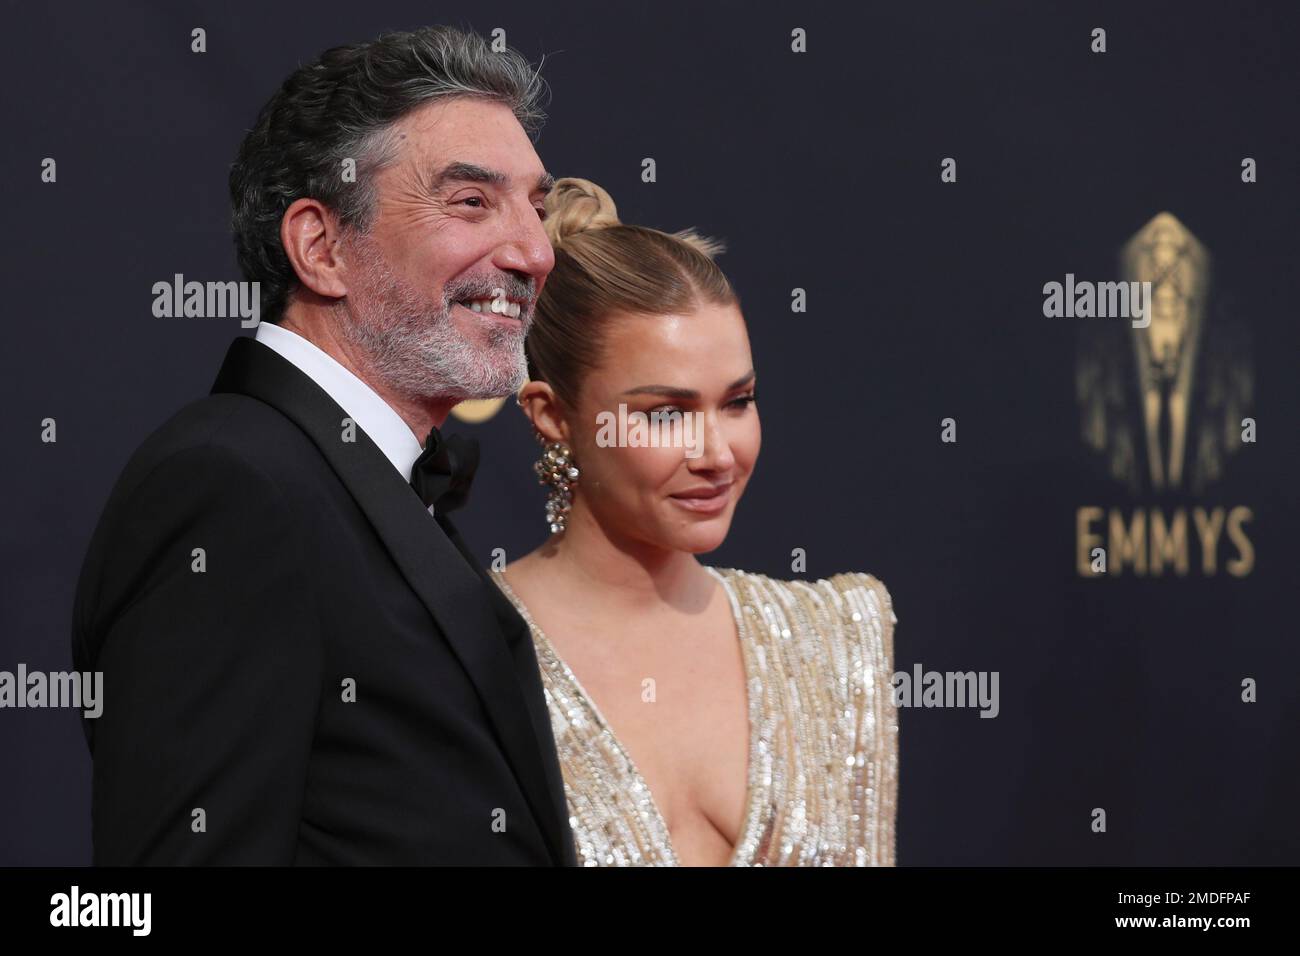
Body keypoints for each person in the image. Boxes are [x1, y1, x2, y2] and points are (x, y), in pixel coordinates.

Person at [71, 26, 577, 865]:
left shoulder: (354, 481)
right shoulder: (232, 488)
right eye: (471, 202)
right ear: (321, 246)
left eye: (536, 205)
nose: (535, 251)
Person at [490, 178, 899, 866]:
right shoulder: (468, 654)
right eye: (665, 414)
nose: (717, 455)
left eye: (738, 402)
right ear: (551, 416)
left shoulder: (835, 638)